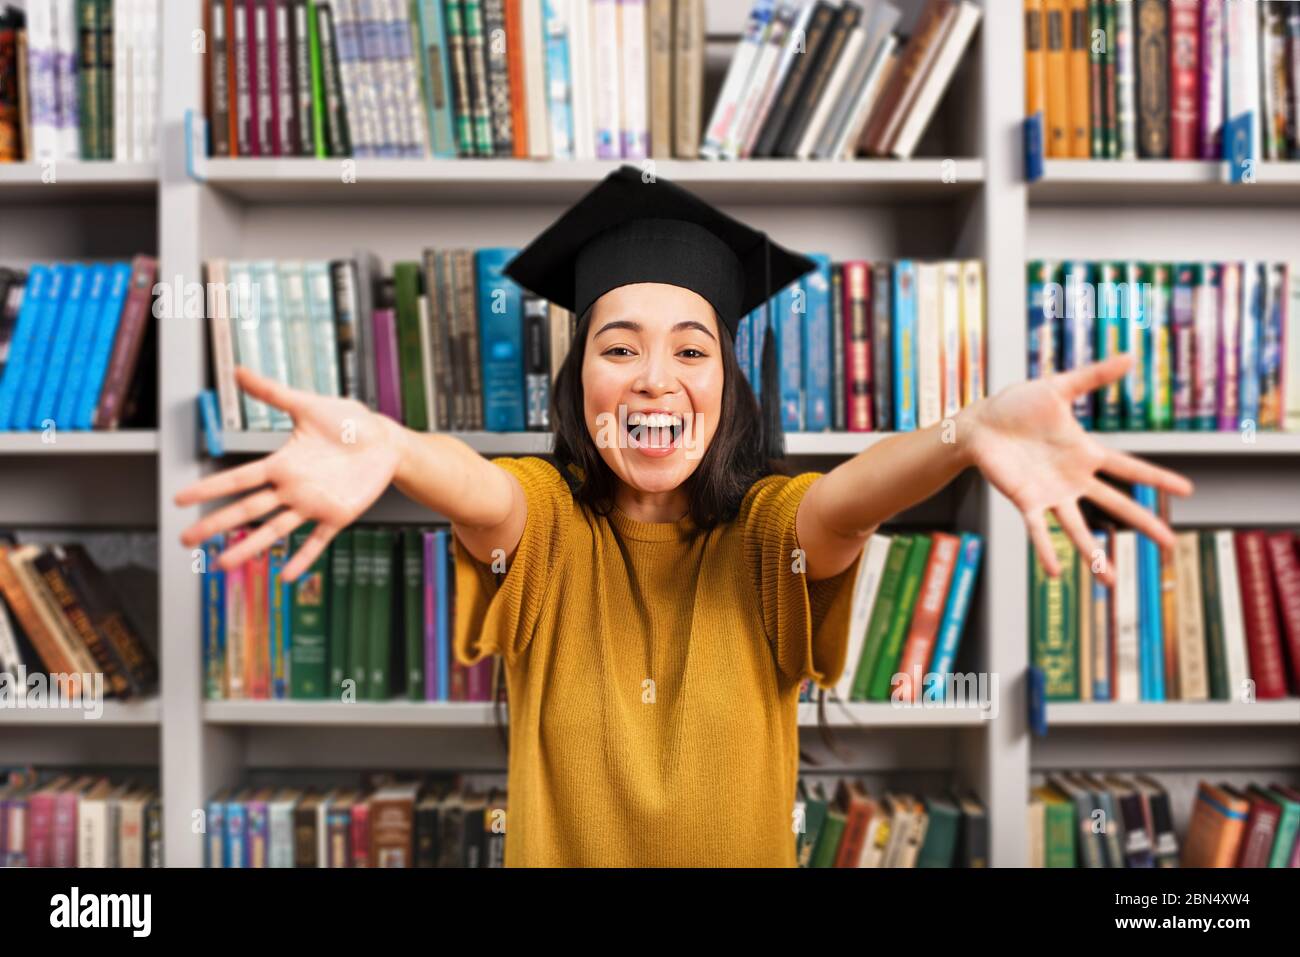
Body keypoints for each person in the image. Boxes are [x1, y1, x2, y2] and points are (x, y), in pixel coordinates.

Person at [175, 165, 1193, 866]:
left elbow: (840, 507)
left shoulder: (763, 541)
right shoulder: (551, 529)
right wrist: (396, 448)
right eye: (618, 348)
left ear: (727, 381)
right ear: (578, 380)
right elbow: (484, 495)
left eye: (690, 351)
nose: (653, 380)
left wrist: (963, 432)